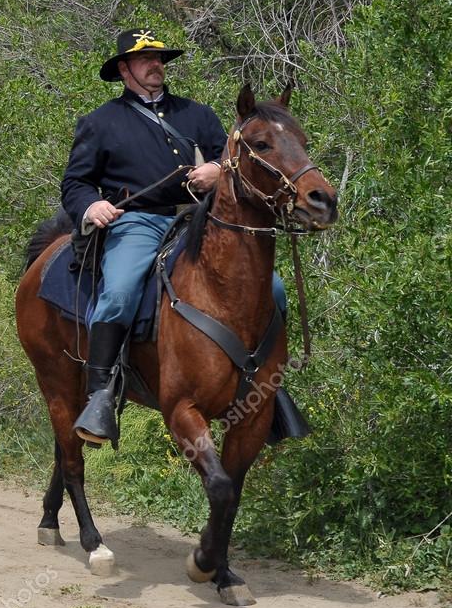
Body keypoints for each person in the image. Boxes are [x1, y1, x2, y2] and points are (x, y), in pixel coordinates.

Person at [61, 28, 287, 445]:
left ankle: (272, 388)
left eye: (159, 59)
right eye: (145, 59)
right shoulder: (100, 122)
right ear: (124, 70)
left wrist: (218, 169)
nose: (156, 65)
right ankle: (100, 395)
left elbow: (233, 157)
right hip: (136, 222)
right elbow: (75, 184)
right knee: (120, 292)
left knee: (273, 287)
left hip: (196, 221)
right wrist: (92, 206)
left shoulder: (196, 114)